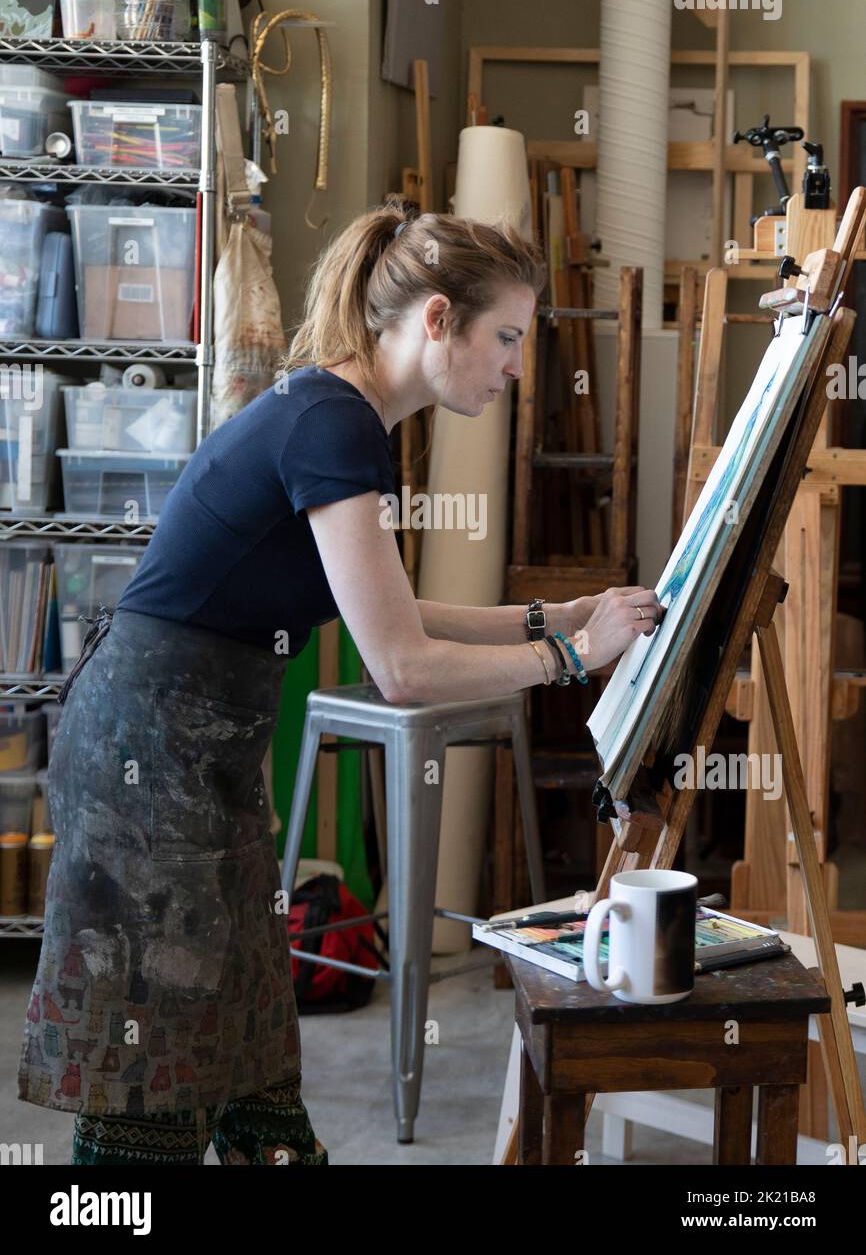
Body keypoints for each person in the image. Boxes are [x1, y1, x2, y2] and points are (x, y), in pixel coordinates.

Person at [17, 200, 662, 1164]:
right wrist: (571, 661)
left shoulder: (340, 415)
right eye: (508, 338)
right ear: (437, 319)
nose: (519, 366)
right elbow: (400, 668)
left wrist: (554, 617)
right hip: (147, 763)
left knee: (250, 1062)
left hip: (190, 750)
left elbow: (392, 611)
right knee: (150, 1090)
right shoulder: (334, 423)